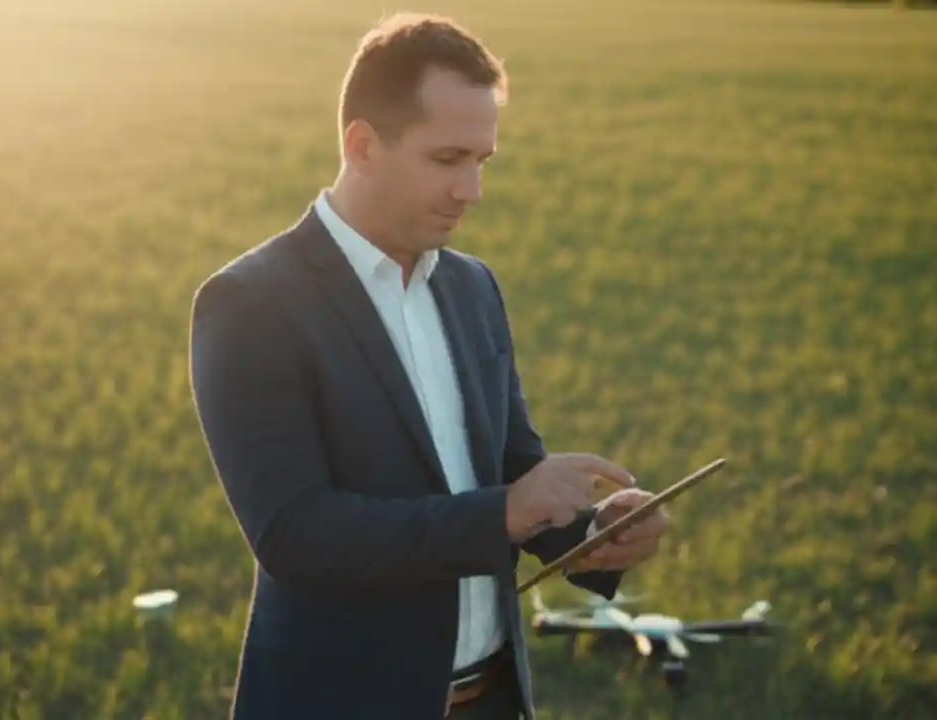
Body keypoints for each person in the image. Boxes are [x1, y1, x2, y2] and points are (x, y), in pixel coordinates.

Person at [189, 13, 670, 719]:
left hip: (494, 698)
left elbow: (509, 468)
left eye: (482, 161)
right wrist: (502, 514)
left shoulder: (473, 287)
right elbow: (294, 534)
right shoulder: (251, 303)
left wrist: (594, 533)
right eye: (447, 160)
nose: (471, 191)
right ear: (362, 146)